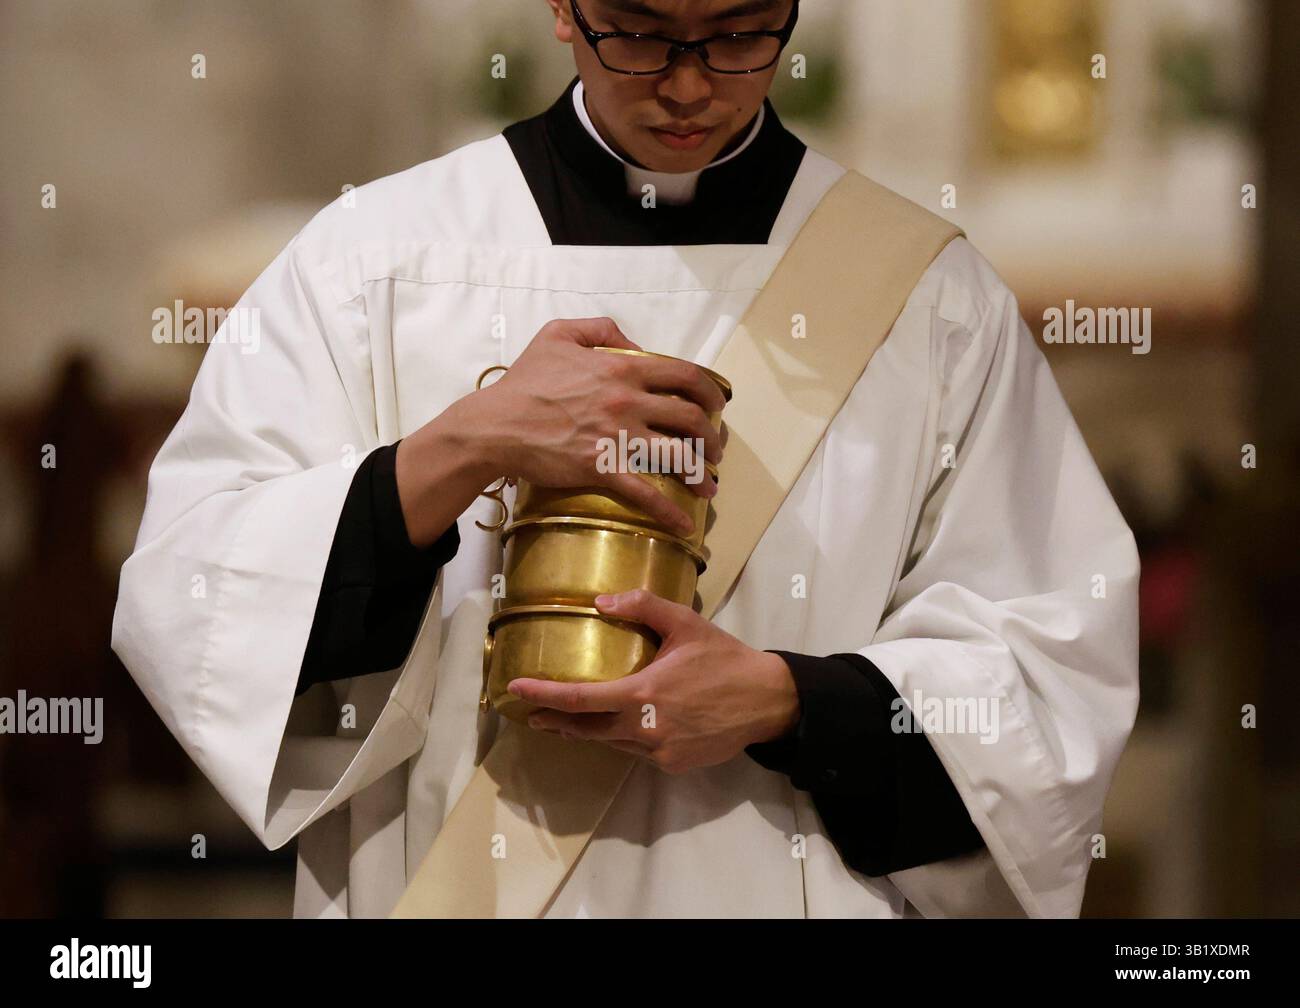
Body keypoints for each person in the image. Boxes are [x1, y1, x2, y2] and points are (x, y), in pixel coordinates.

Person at [112, 0, 1139, 918]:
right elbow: (190, 596)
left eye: (739, 33)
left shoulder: (932, 302)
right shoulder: (373, 262)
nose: (690, 84)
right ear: (563, 7)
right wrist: (468, 442)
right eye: (641, 32)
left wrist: (783, 700)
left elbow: (1047, 678)